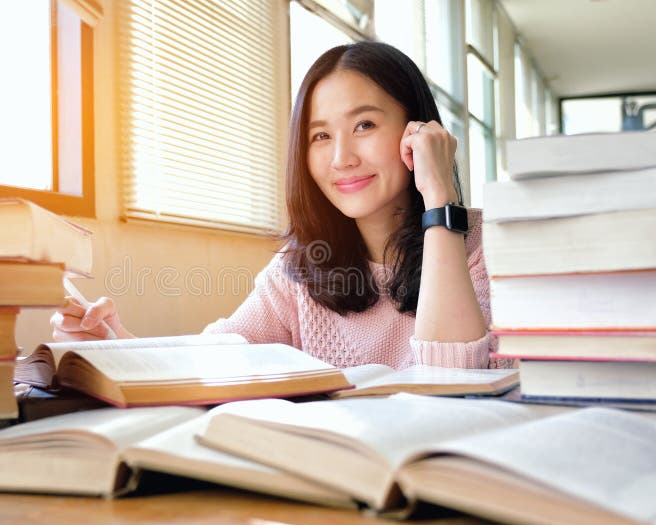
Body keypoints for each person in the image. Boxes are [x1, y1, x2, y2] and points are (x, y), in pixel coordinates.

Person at [52, 41, 506, 370]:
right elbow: (216, 359)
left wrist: (440, 200)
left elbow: (454, 383)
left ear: (418, 129)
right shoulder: (300, 273)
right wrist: (116, 344)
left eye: (364, 125)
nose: (341, 158)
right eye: (320, 135)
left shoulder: (494, 248)